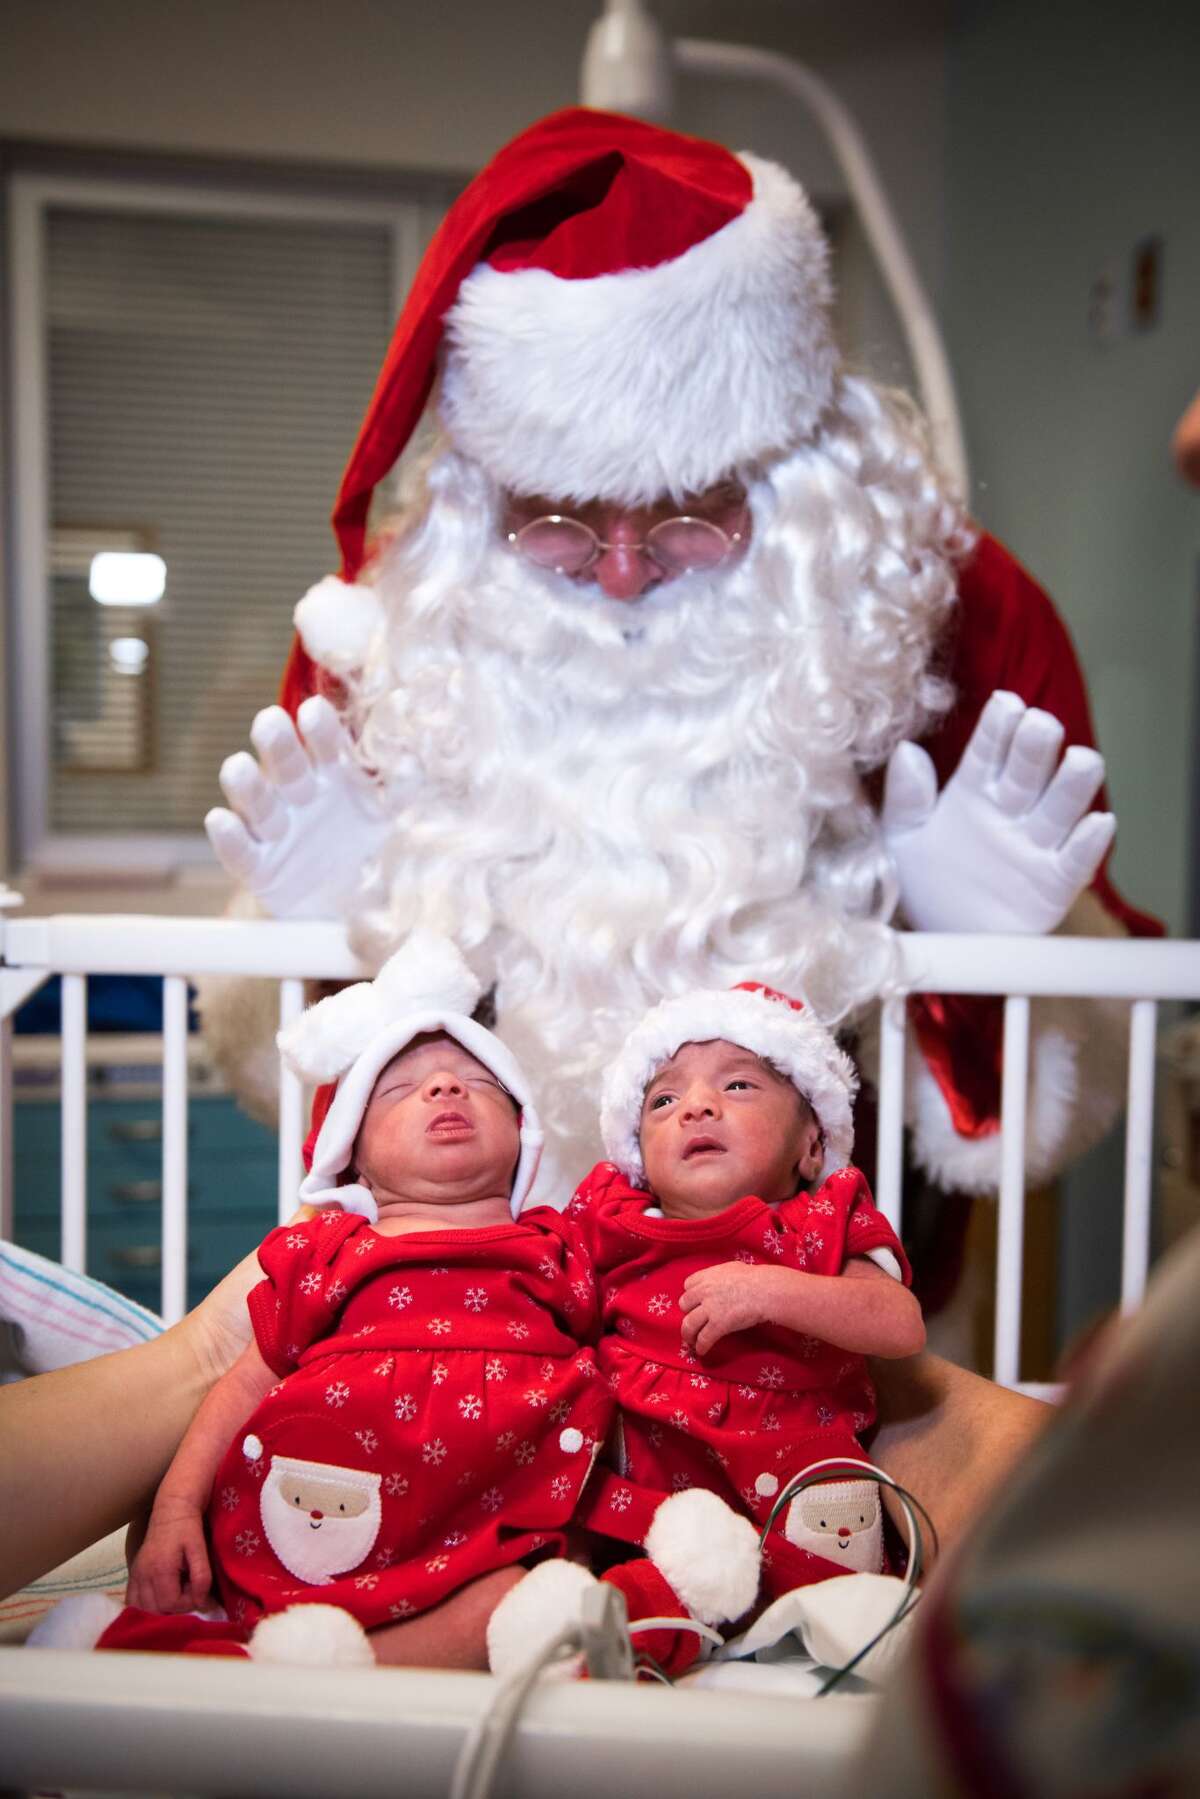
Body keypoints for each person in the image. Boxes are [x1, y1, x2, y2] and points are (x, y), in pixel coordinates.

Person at [199, 108, 1157, 1227]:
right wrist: (330, 939)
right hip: (464, 1320)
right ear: (483, 492)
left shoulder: (947, 602)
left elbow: (1069, 1094)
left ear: (796, 478)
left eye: (693, 512)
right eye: (554, 518)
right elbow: (297, 1083)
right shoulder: (396, 627)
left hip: (833, 1325)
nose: (620, 573)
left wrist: (985, 958)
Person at [80, 934, 614, 1664]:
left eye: (479, 1082)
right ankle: (304, 1661)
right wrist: (177, 1503)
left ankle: (335, 1669)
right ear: (353, 1150)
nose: (446, 1089)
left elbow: (622, 1346)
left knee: (530, 1596)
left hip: (490, 1524)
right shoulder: (326, 1253)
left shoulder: (559, 1247)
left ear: (524, 1132)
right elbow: (245, 1383)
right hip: (329, 1509)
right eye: (401, 1089)